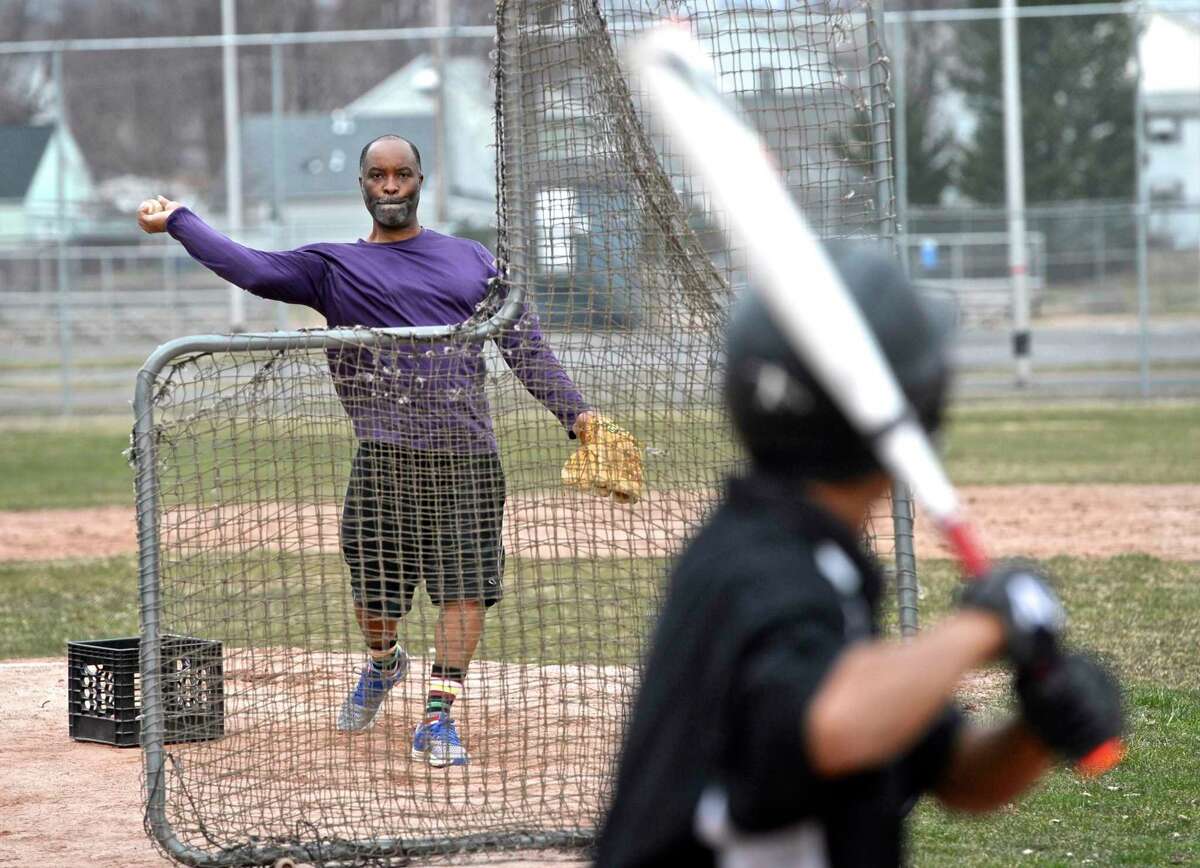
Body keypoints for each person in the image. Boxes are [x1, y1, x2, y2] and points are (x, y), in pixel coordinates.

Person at [594, 245, 1124, 866]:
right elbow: (833, 726)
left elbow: (958, 777)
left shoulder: (814, 561)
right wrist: (985, 625)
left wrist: (1034, 731)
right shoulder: (755, 566)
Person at [138, 134, 640, 768]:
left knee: (464, 590)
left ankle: (437, 718)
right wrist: (181, 220)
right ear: (364, 185)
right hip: (384, 456)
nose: (392, 185)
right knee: (375, 599)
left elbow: (526, 348)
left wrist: (580, 418)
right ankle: (384, 663)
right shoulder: (332, 267)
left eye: (403, 173)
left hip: (466, 457)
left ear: (420, 180)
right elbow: (255, 268)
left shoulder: (471, 259)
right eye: (379, 175)